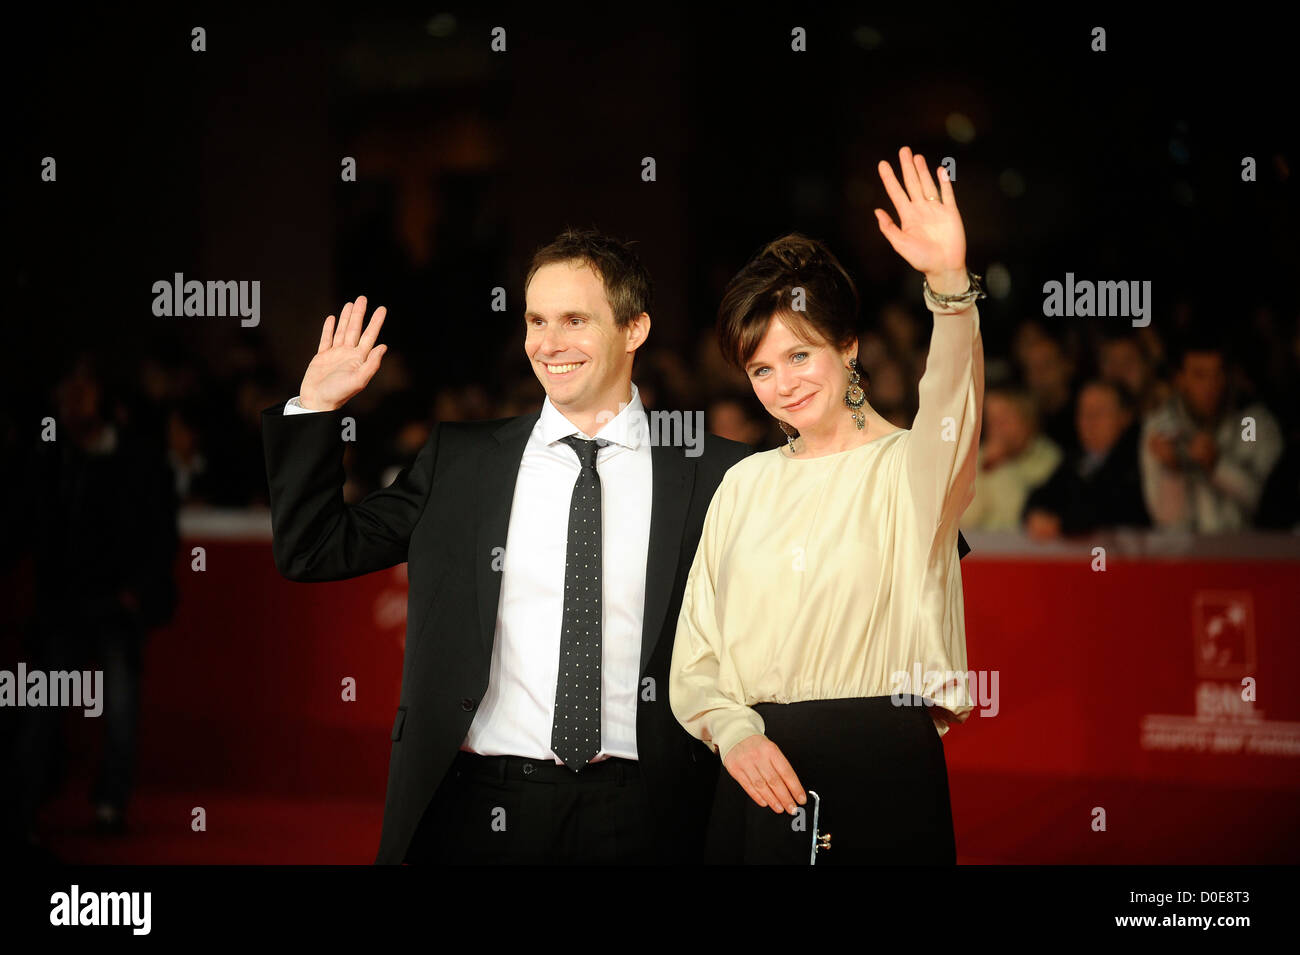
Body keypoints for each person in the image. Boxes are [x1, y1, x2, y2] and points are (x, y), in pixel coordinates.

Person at [261, 229, 755, 864]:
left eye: (575, 320)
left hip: (649, 809)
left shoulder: (714, 474)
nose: (549, 344)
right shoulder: (461, 463)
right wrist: (316, 408)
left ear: (634, 329)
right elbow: (314, 549)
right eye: (536, 321)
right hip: (481, 806)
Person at [669, 146, 982, 864]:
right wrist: (734, 731)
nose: (782, 383)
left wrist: (949, 287)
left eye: (800, 355)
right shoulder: (743, 484)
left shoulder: (912, 468)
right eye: (761, 368)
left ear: (848, 347)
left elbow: (951, 404)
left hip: (883, 774)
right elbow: (697, 653)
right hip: (757, 775)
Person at [1139, 332, 1283, 532]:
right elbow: (1167, 521)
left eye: (1218, 373)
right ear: (1180, 379)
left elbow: (1270, 505)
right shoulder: (1161, 426)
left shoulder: (1253, 423)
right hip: (1187, 555)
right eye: (1200, 375)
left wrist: (1217, 466)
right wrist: (1172, 470)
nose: (1211, 385)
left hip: (1249, 552)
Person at [1023, 378, 1150, 539]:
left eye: (1099, 413)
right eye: (1083, 412)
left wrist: (1062, 522)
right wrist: (1035, 514)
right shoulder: (1075, 459)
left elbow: (1114, 509)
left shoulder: (1140, 460)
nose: (1089, 421)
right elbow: (1043, 495)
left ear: (1125, 417)